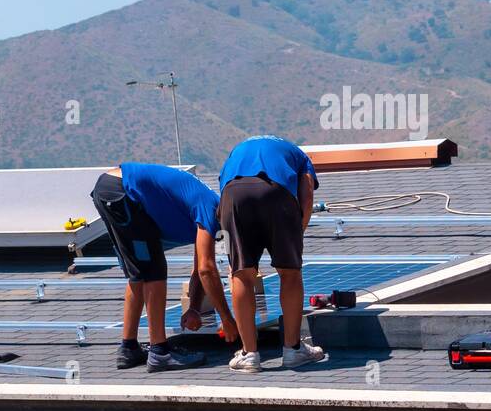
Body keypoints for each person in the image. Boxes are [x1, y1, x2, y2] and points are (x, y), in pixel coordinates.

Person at [90, 163, 237, 371]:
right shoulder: (210, 208)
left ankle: (129, 348)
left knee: (139, 273)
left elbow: (199, 270)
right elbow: (207, 269)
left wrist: (194, 308)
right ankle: (160, 351)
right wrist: (227, 319)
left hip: (110, 189)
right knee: (154, 271)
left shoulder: (212, 211)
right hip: (123, 192)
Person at [218, 136, 325, 372]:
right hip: (276, 194)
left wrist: (234, 259)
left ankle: (249, 354)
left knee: (242, 275)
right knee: (289, 274)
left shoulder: (235, 152)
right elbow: (306, 195)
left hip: (232, 195)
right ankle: (293, 350)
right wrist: (296, 235)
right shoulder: (299, 155)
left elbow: (223, 200)